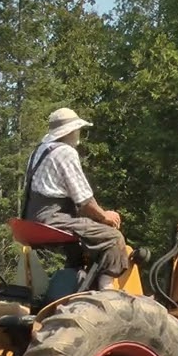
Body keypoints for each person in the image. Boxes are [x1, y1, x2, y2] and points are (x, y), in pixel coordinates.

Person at [21, 107, 128, 291]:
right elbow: (84, 200)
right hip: (51, 219)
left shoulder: (40, 150)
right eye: (77, 129)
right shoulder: (65, 152)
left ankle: (74, 276)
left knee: (79, 243)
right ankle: (107, 288)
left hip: (31, 219)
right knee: (113, 237)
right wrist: (105, 216)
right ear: (71, 131)